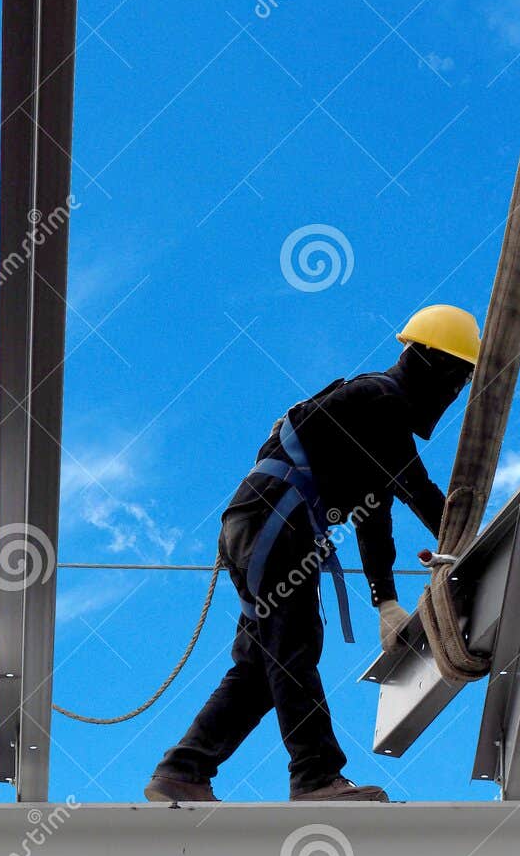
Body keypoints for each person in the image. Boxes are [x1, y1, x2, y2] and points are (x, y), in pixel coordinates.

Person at [144, 305, 479, 803]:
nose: (454, 394)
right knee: (294, 645)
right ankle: (316, 776)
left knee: (263, 664)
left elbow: (375, 512)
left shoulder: (374, 413)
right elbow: (415, 486)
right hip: (275, 524)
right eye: (458, 381)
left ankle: (183, 769)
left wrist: (383, 601)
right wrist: (467, 546)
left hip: (262, 525)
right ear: (434, 365)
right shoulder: (380, 398)